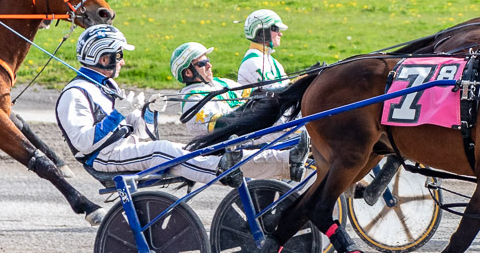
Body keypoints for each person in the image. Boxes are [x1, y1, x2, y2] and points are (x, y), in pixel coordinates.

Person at [56, 25, 233, 186]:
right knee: (163, 151)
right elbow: (83, 143)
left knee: (182, 150)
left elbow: (140, 131)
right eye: (119, 56)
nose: (123, 62)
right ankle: (222, 170)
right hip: (103, 157)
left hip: (122, 150)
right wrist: (117, 115)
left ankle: (228, 166)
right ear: (103, 59)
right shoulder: (75, 93)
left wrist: (150, 111)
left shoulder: (107, 85)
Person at [171, 41, 309, 182]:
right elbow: (223, 127)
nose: (209, 65)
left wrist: (295, 86)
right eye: (202, 63)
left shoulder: (221, 83)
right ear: (188, 72)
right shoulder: (192, 100)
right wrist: (256, 114)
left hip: (251, 136)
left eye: (208, 60)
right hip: (232, 148)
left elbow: (257, 94)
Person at [238, 9, 291, 91]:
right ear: (261, 32)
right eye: (275, 29)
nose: (280, 34)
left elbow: (287, 85)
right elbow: (274, 90)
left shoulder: (273, 61)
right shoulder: (253, 61)